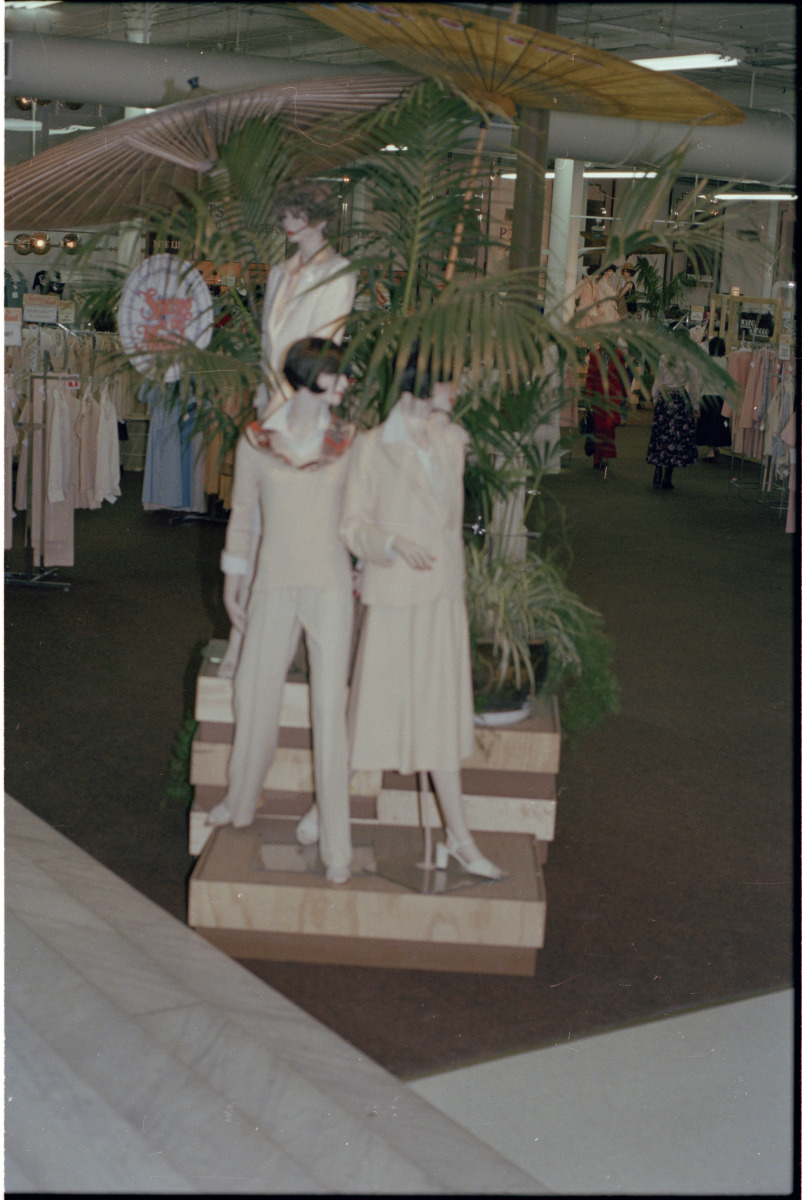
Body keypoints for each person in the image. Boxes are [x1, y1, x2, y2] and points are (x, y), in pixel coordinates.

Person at [333, 349, 503, 880]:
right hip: (393, 595)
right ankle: (327, 809)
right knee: (372, 709)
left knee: (441, 714)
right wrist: (390, 543)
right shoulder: (370, 446)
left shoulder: (453, 442)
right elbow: (351, 525)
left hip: (442, 598)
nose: (455, 391)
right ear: (419, 387)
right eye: (447, 382)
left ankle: (459, 837)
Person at [206, 337, 357, 886]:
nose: (344, 384)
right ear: (310, 377)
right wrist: (232, 580)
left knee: (329, 712)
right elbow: (242, 515)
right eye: (336, 375)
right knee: (253, 692)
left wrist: (370, 560)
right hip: (271, 583)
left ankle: (337, 844)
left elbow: (361, 511)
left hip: (331, 586)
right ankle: (240, 800)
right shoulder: (256, 442)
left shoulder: (349, 441)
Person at [217, 181, 356, 679]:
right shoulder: (278, 272)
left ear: (321, 220)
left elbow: (324, 346)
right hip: (271, 404)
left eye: (299, 213)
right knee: (254, 523)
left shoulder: (340, 273)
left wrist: (291, 402)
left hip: (305, 408)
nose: (288, 221)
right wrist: (264, 402)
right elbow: (267, 344)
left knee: (285, 530)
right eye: (286, 213)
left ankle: (257, 642)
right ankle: (243, 639)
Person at [646, 332, 701, 490]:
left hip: (664, 400)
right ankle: (668, 477)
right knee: (675, 439)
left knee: (661, 436)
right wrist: (696, 406)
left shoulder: (664, 357)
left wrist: (654, 397)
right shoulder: (688, 361)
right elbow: (694, 386)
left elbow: (658, 379)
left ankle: (658, 469)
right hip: (680, 401)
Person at [585, 346, 626, 475]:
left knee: (609, 425)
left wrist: (624, 396)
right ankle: (597, 458)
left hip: (613, 395)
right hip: (598, 396)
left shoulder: (618, 354)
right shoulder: (594, 355)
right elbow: (590, 376)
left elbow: (622, 374)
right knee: (598, 428)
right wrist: (589, 396)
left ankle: (606, 455)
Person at [695, 336, 732, 462]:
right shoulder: (726, 361)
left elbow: (700, 381)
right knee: (717, 424)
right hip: (721, 397)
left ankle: (711, 452)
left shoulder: (706, 361)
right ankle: (715, 448)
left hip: (707, 395)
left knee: (708, 423)